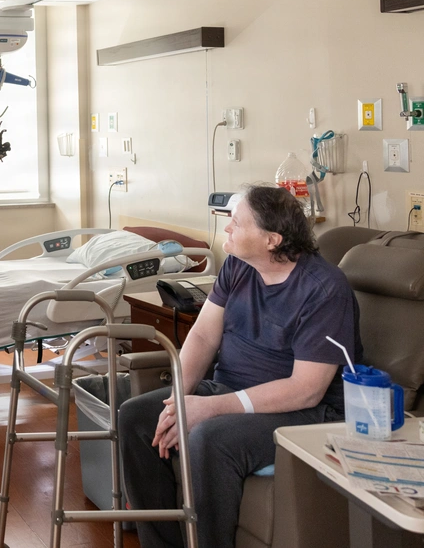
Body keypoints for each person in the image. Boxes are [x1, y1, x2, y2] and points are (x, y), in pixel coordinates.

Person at [119, 185, 361, 548]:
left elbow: (306, 389)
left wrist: (211, 407)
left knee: (209, 438)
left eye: (236, 222)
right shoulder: (239, 265)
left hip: (305, 411)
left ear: (272, 240)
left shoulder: (324, 290)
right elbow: (201, 337)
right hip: (230, 389)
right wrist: (177, 402)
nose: (226, 228)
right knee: (135, 416)